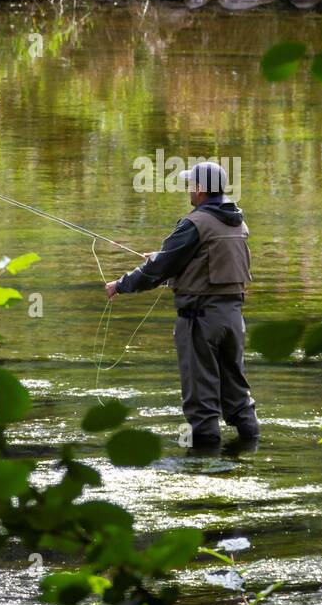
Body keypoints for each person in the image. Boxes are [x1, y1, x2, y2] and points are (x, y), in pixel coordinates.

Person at [105, 161, 259, 446]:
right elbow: (204, 263)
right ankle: (251, 453)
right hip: (233, 320)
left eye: (191, 184)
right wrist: (168, 258)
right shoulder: (238, 223)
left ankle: (204, 471)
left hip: (199, 322)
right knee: (237, 398)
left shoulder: (194, 223)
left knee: (202, 406)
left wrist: (121, 285)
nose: (189, 189)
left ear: (200, 189)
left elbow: (157, 270)